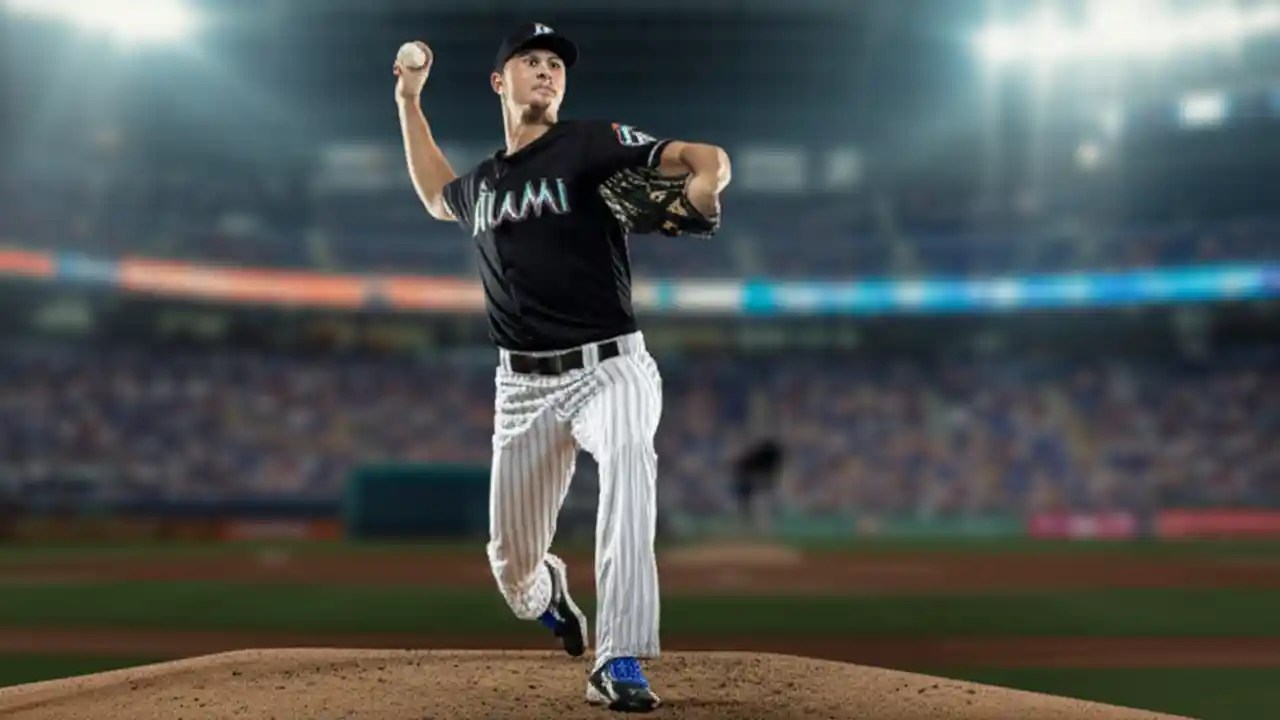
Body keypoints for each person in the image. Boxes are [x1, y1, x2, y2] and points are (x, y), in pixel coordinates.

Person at [393, 22, 731, 712]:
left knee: (631, 458)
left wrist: (704, 186)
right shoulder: (482, 185)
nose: (547, 71)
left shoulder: (590, 141)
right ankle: (548, 593)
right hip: (520, 387)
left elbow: (705, 156)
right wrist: (408, 99)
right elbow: (436, 195)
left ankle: (620, 659)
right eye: (530, 61)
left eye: (555, 63)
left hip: (611, 369)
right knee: (511, 571)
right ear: (500, 82)